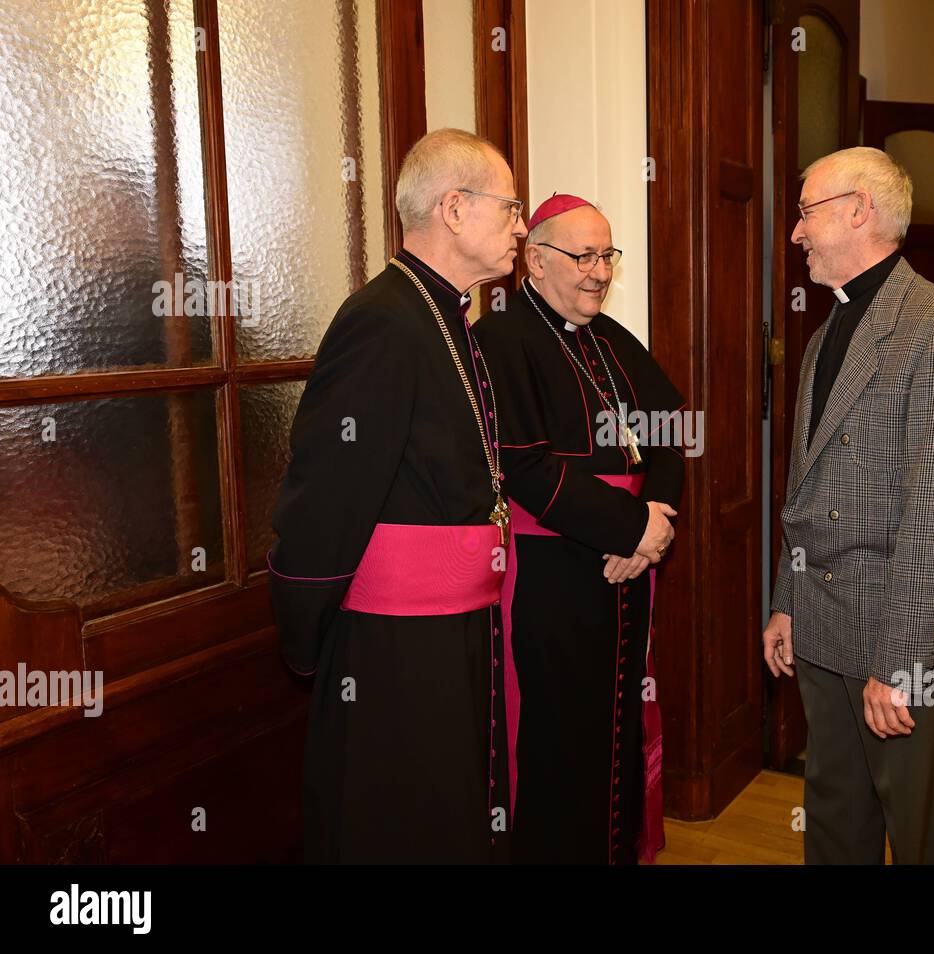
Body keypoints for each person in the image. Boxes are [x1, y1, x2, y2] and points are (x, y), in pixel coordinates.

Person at [267, 127, 527, 863]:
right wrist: (311, 636)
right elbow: (325, 501)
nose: (520, 225)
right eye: (509, 208)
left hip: (457, 632)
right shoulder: (383, 320)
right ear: (453, 208)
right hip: (394, 650)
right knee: (401, 822)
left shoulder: (449, 316)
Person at [762, 147, 934, 864]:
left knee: (913, 834)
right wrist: (786, 601)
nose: (795, 234)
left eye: (805, 213)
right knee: (834, 822)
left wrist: (900, 664)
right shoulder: (829, 332)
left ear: (859, 210)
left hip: (902, 634)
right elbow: (808, 487)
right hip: (825, 628)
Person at [473, 194, 685, 864]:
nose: (600, 271)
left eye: (607, 255)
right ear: (535, 260)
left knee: (614, 726)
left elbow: (670, 435)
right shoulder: (502, 338)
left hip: (621, 566)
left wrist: (652, 530)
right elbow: (525, 468)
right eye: (584, 256)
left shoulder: (610, 338)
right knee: (558, 733)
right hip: (552, 576)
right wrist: (630, 530)